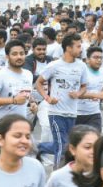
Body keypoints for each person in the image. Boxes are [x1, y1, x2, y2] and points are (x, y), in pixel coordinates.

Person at [36, 33, 88, 163]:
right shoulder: (54, 65)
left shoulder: (81, 66)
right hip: (56, 113)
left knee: (67, 145)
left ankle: (38, 147)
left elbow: (84, 86)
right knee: (62, 147)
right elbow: (38, 83)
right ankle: (57, 176)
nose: (81, 49)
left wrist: (78, 94)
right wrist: (47, 98)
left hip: (72, 113)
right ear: (68, 48)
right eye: (78, 46)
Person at [77, 46, 103, 131]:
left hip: (94, 113)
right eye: (95, 57)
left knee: (95, 140)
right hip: (77, 114)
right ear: (87, 59)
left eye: (101, 58)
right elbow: (76, 93)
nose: (99, 60)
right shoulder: (81, 72)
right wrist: (95, 95)